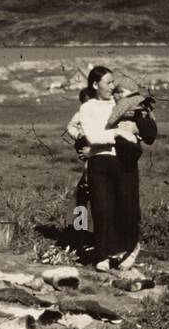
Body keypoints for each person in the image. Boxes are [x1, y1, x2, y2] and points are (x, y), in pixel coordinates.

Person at [66, 66, 156, 272]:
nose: (113, 86)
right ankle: (98, 250)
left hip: (124, 160)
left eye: (113, 82)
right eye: (108, 83)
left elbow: (143, 126)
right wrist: (113, 135)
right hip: (97, 162)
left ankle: (128, 249)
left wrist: (135, 129)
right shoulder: (87, 108)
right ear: (95, 86)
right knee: (98, 207)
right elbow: (88, 134)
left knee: (127, 207)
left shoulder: (122, 103)